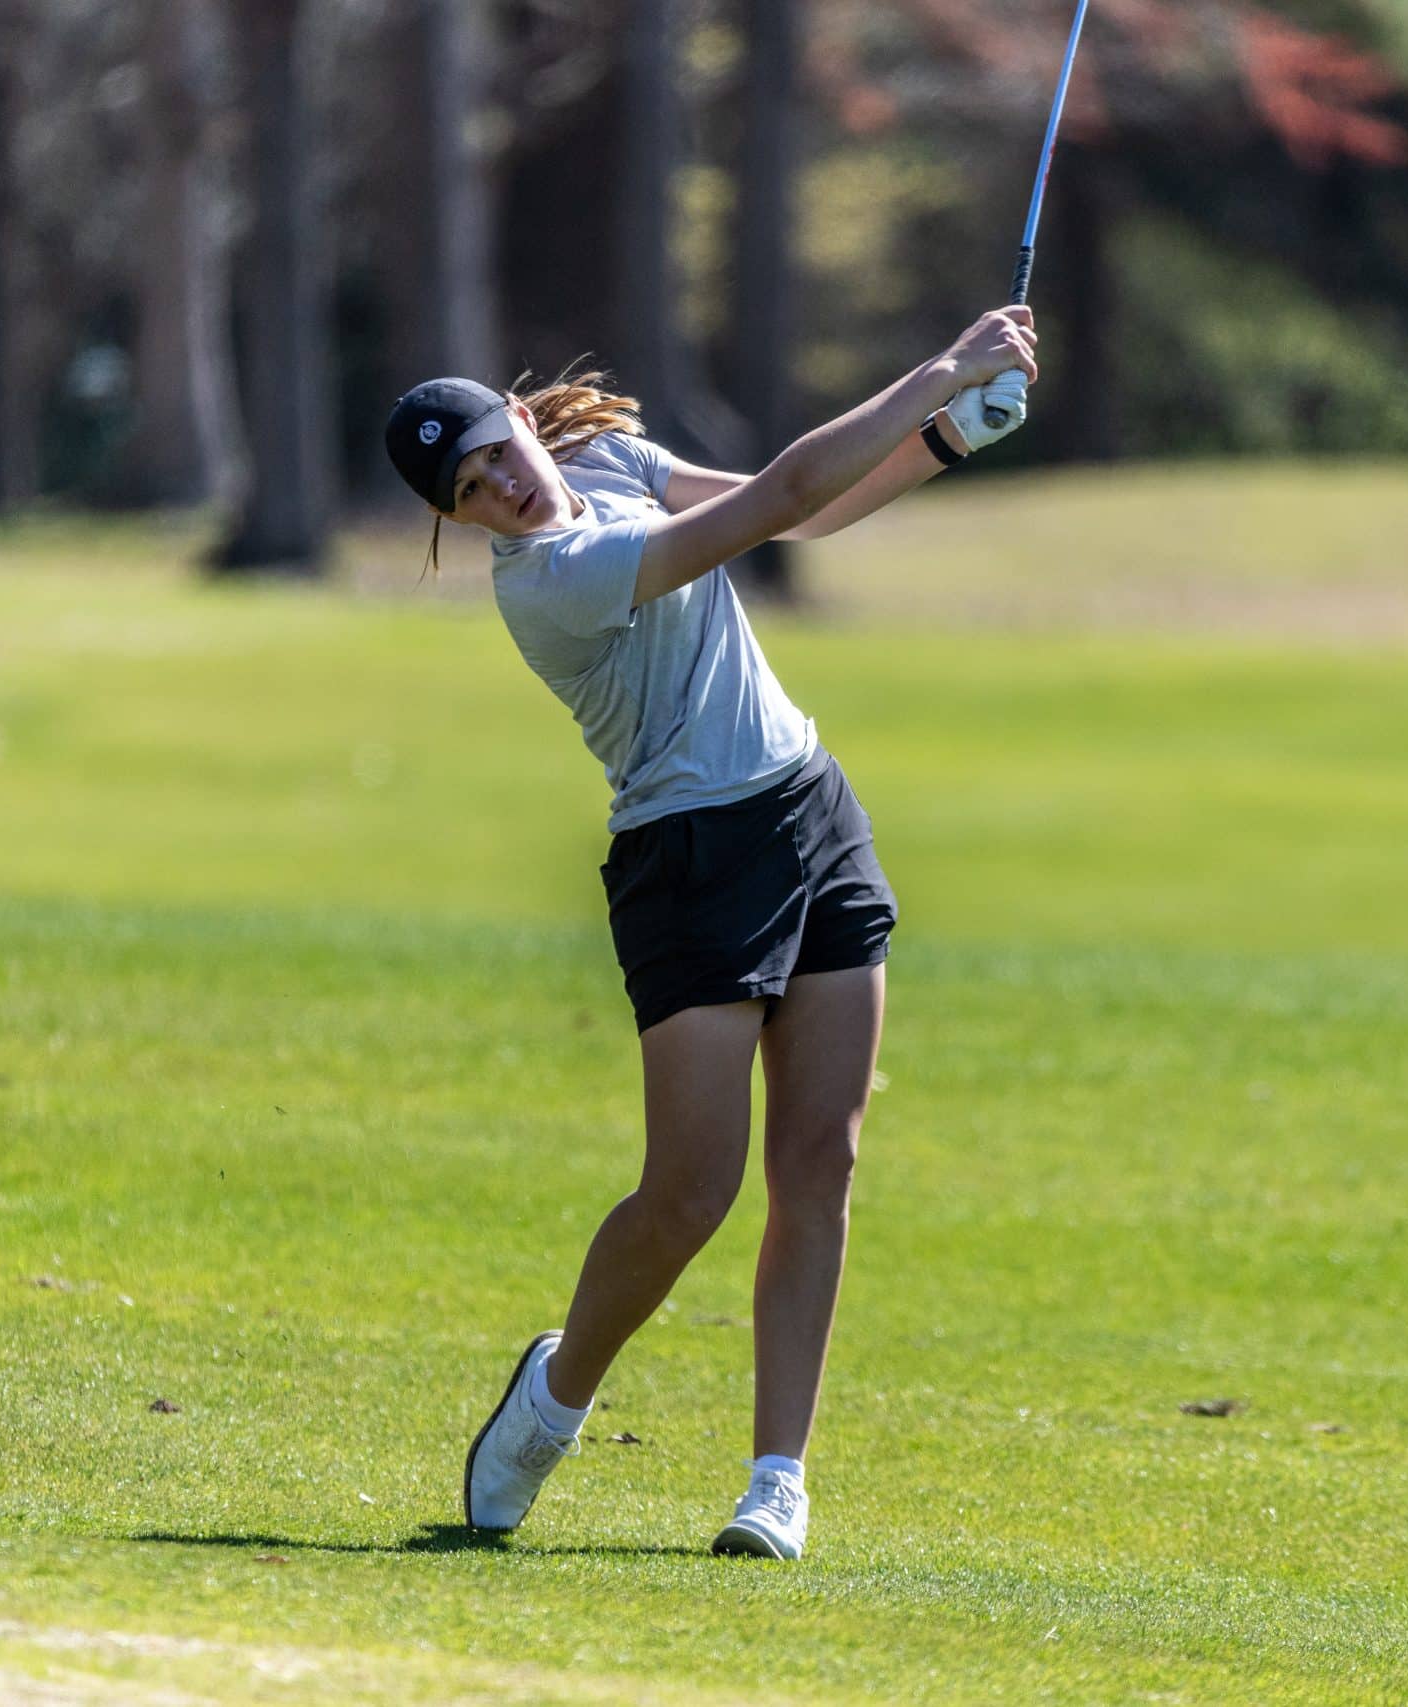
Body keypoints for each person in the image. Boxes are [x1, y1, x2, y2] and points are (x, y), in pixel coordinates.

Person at [384, 306, 1040, 1560]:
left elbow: (810, 508)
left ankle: (775, 1480)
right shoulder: (552, 588)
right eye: (470, 489)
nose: (504, 487)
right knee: (691, 1191)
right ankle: (555, 1395)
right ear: (455, 518)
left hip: (809, 809)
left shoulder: (609, 466)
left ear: (522, 419)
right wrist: (940, 369)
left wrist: (946, 440)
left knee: (822, 1162)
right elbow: (781, 490)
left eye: (497, 451)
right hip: (686, 861)